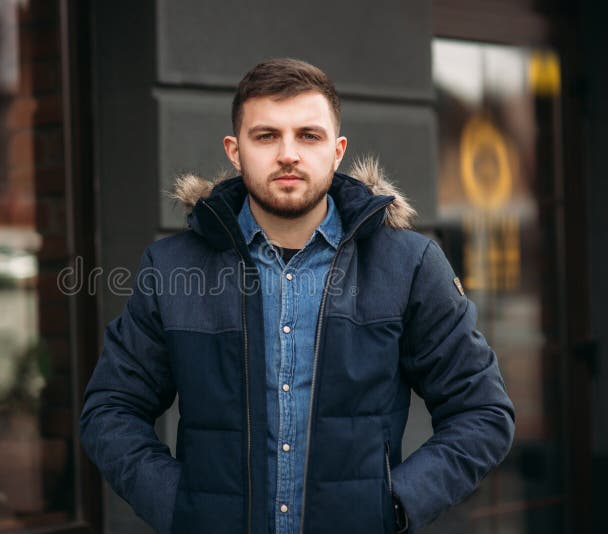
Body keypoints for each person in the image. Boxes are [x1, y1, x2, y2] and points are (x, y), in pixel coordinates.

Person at [80, 58, 515, 534]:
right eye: (266, 136)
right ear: (234, 150)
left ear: (337, 150)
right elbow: (110, 412)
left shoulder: (408, 266)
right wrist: (183, 509)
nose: (288, 153)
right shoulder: (172, 268)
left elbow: (482, 413)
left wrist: (392, 505)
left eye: (309, 135)